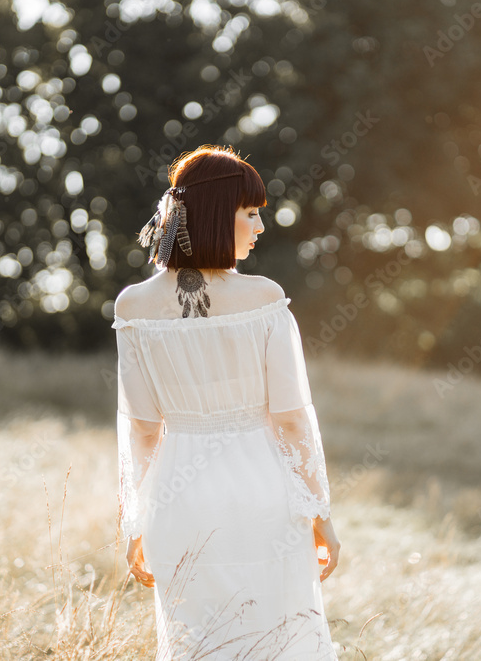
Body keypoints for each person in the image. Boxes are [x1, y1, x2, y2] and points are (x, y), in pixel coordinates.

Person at [112, 144, 341, 659]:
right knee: (279, 642)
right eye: (251, 213)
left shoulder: (133, 306)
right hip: (263, 491)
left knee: (199, 645)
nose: (260, 227)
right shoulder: (264, 298)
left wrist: (136, 521)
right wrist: (320, 511)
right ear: (219, 215)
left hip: (177, 501)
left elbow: (142, 429)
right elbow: (289, 420)